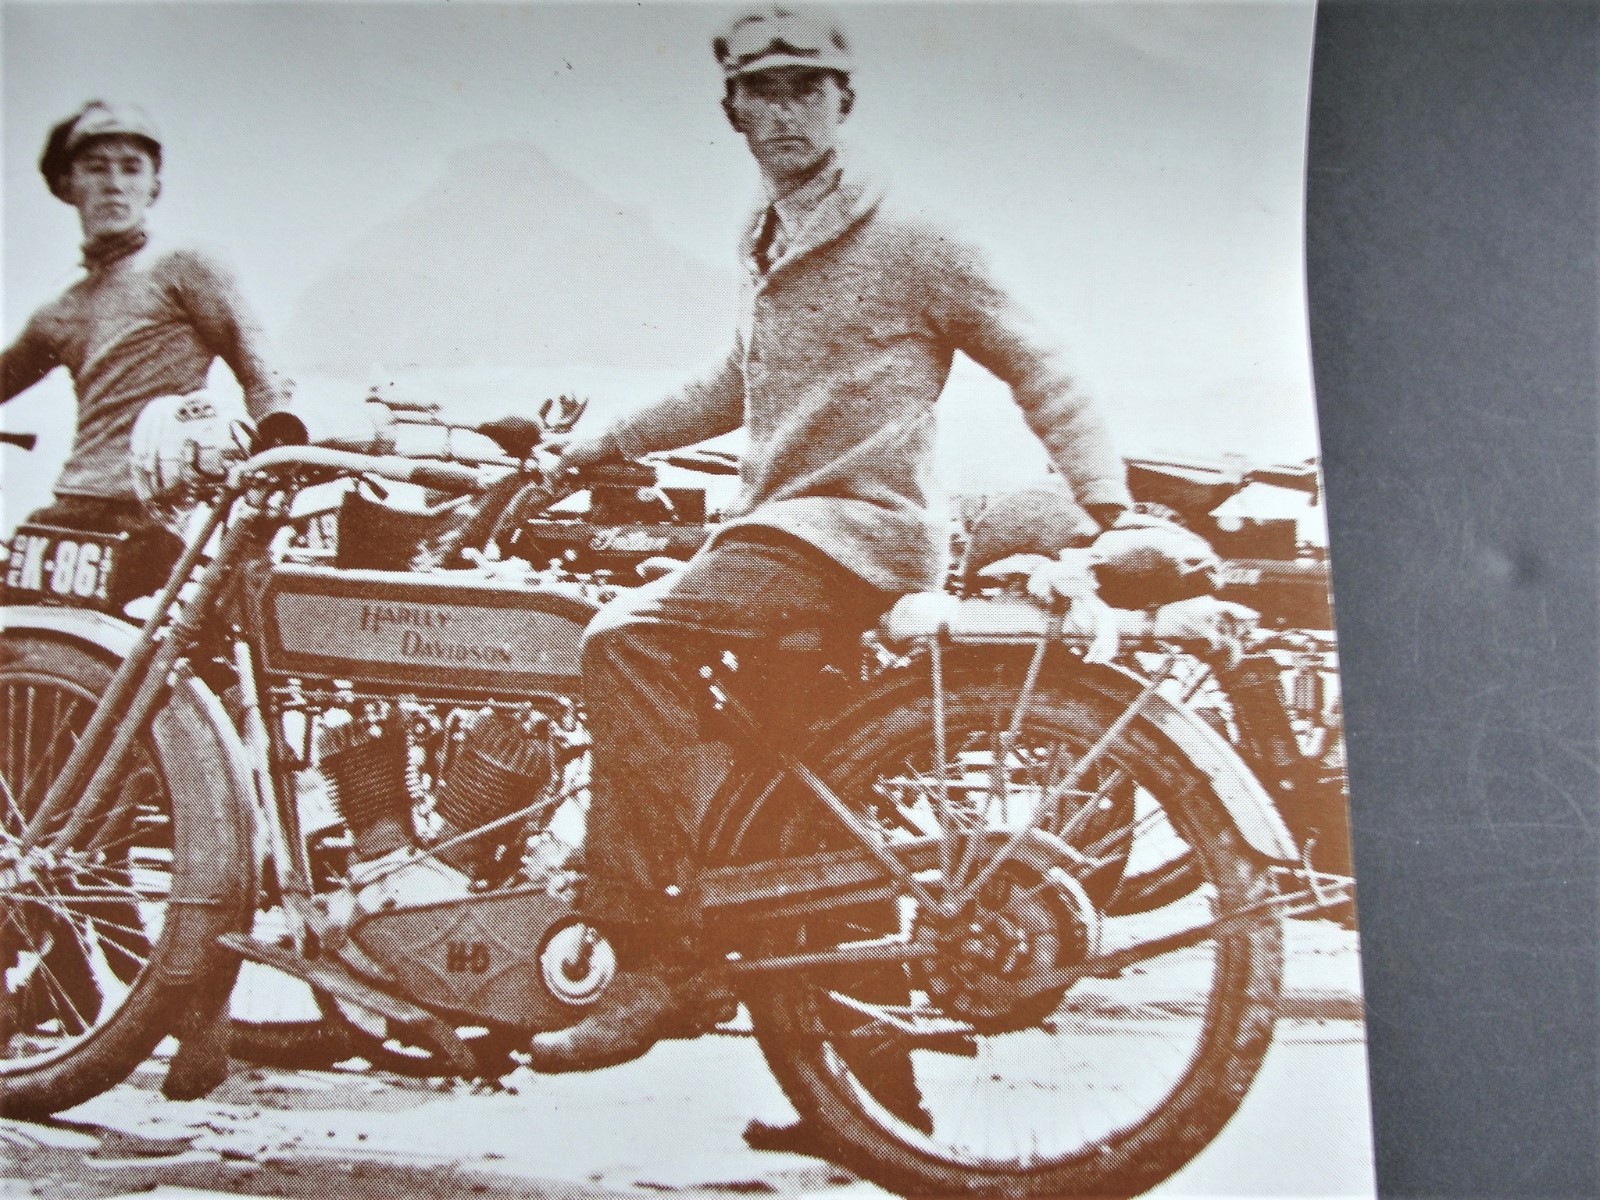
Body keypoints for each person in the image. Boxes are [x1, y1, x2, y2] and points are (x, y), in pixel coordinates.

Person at [528, 7, 1132, 1083]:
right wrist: (593, 446)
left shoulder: (915, 239)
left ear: (844, 105)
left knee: (622, 642)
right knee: (805, 798)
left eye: (808, 89)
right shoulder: (770, 232)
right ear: (733, 113)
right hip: (798, 537)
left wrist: (1104, 503)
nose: (786, 110)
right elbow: (733, 384)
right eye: (763, 92)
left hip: (848, 540)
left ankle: (655, 956)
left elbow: (1040, 359)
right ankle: (867, 1090)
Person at [0, 101, 291, 596]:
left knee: (163, 658)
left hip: (156, 507)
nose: (114, 183)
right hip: (75, 506)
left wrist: (281, 438)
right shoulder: (60, 311)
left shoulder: (184, 267)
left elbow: (258, 365)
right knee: (18, 645)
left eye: (131, 168)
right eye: (96, 168)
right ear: (68, 185)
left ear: (153, 186)